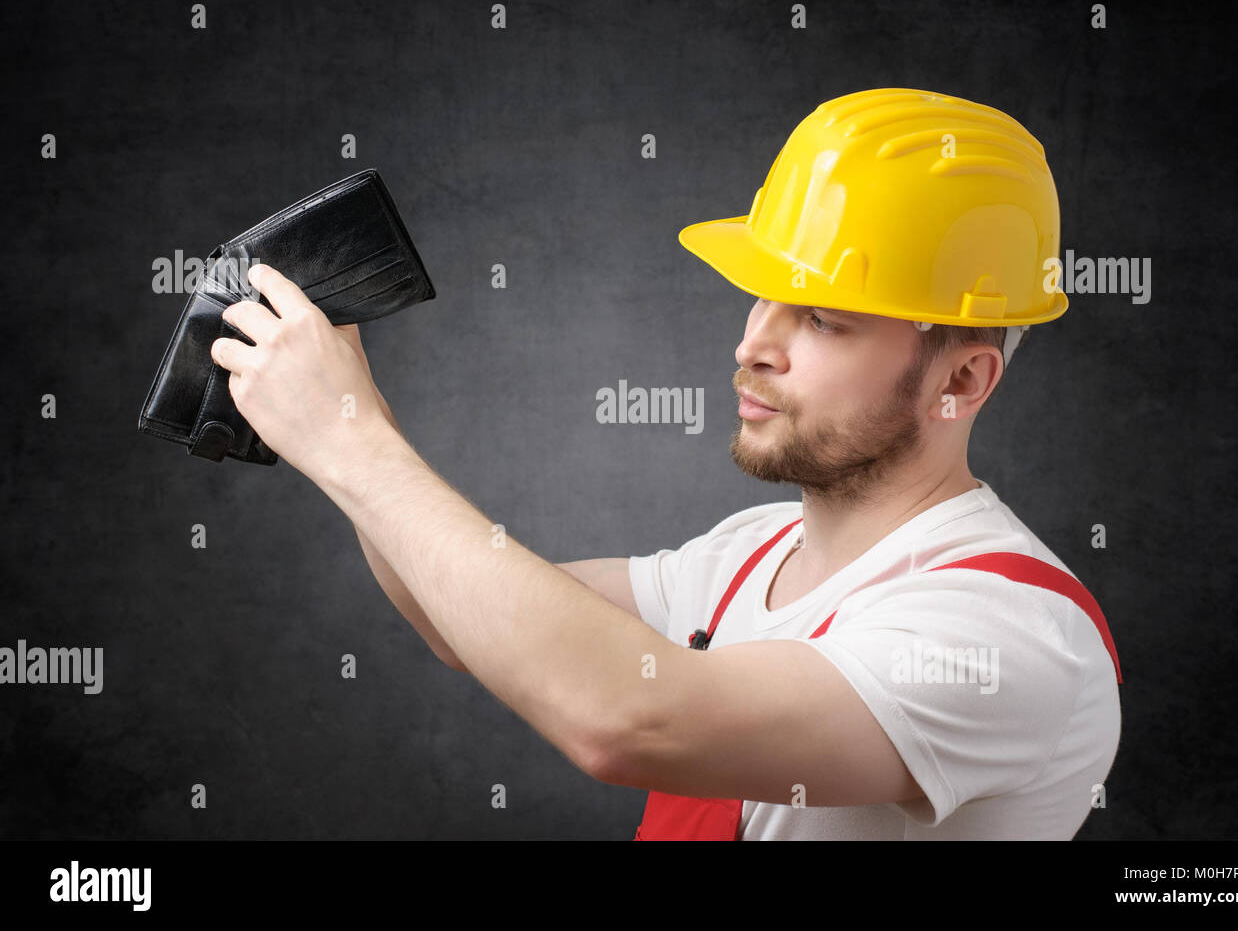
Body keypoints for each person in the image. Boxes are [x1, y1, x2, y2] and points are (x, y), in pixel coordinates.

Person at [210, 87, 1121, 841]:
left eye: (823, 317)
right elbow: (461, 621)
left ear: (961, 378)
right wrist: (341, 411)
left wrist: (352, 439)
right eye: (765, 296)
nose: (752, 343)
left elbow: (629, 720)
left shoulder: (1010, 631)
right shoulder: (751, 555)